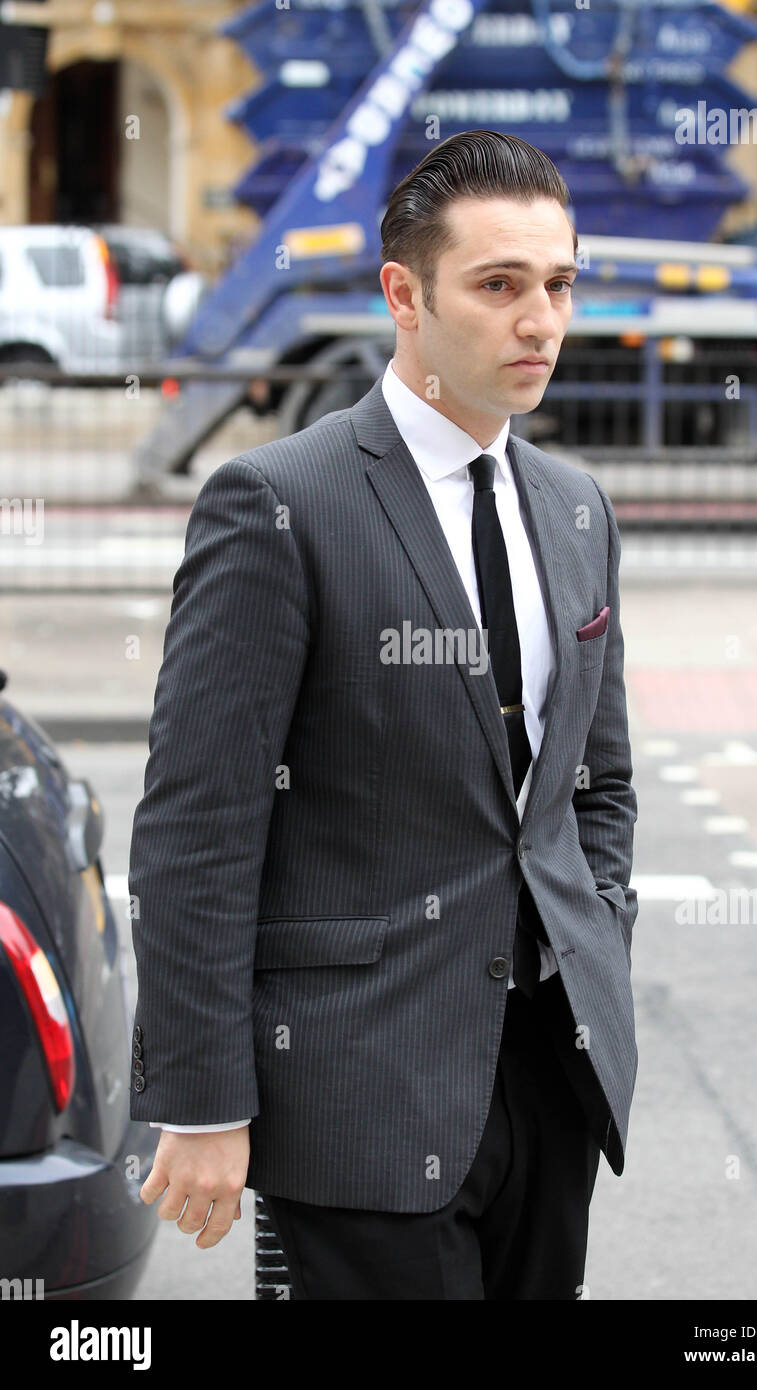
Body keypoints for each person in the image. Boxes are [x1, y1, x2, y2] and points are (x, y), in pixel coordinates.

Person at [129, 128, 639, 1300]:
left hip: (549, 1081)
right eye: (499, 285)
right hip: (356, 1090)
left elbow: (592, 782)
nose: (541, 321)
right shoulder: (278, 503)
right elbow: (198, 826)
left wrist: (596, 937)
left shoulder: (572, 508)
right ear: (402, 295)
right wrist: (203, 1097)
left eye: (558, 284)